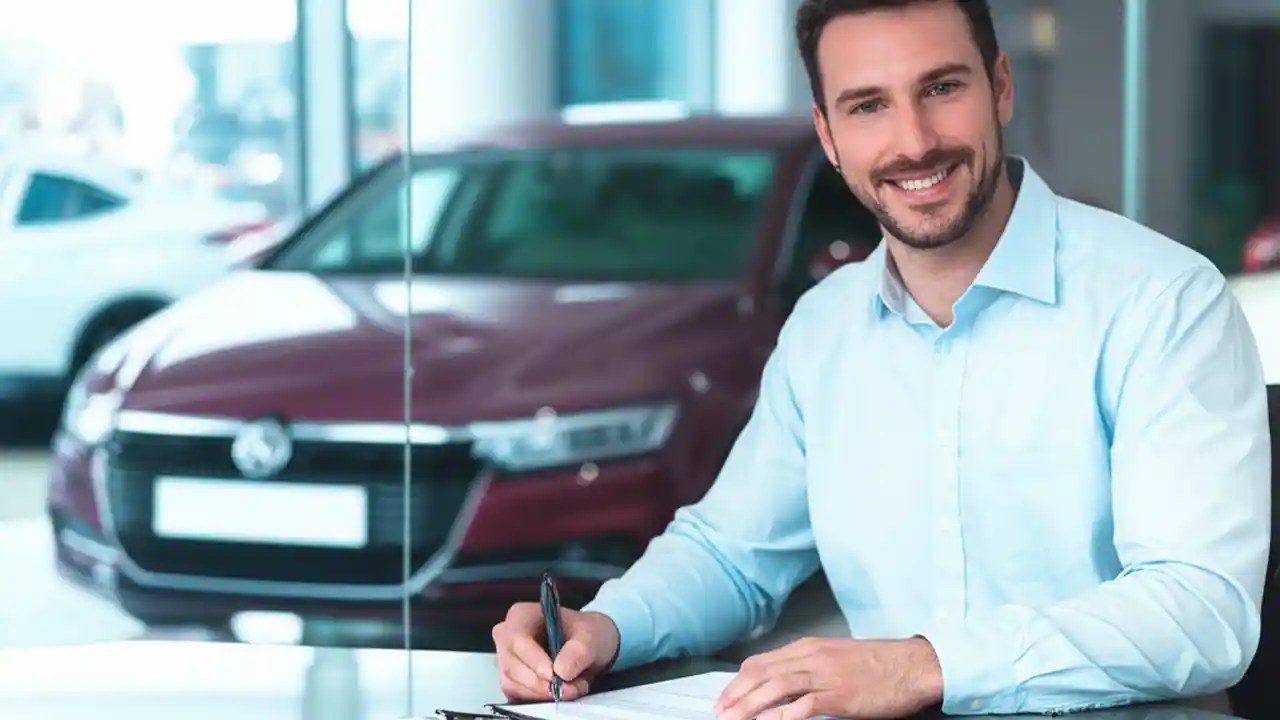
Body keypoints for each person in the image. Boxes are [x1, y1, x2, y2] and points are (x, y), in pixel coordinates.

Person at [491, 0, 1273, 717]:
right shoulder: (825, 329)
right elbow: (731, 553)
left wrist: (920, 667)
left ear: (1000, 87)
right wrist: (605, 626)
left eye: (941, 88)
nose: (914, 142)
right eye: (868, 105)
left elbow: (1200, 610)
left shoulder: (1163, 301)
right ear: (829, 135)